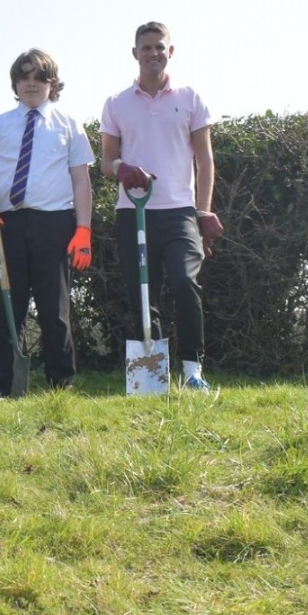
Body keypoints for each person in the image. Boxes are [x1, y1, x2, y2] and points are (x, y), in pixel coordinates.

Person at [100, 22, 221, 390]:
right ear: (134, 53)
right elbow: (106, 163)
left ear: (171, 51)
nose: (153, 53)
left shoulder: (190, 98)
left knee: (186, 283)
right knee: (142, 293)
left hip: (179, 212)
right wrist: (124, 169)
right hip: (133, 212)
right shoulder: (116, 104)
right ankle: (152, 376)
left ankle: (191, 370)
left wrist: (203, 211)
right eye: (146, 47)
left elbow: (205, 160)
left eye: (159, 47)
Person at [0, 50, 94, 396]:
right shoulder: (0, 124)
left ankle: (61, 383)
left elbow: (81, 180)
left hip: (55, 224)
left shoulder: (69, 124)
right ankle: (6, 386)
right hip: (8, 224)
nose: (31, 84)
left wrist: (83, 229)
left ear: (51, 84)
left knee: (55, 309)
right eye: (24, 77)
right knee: (11, 306)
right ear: (15, 84)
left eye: (39, 77)